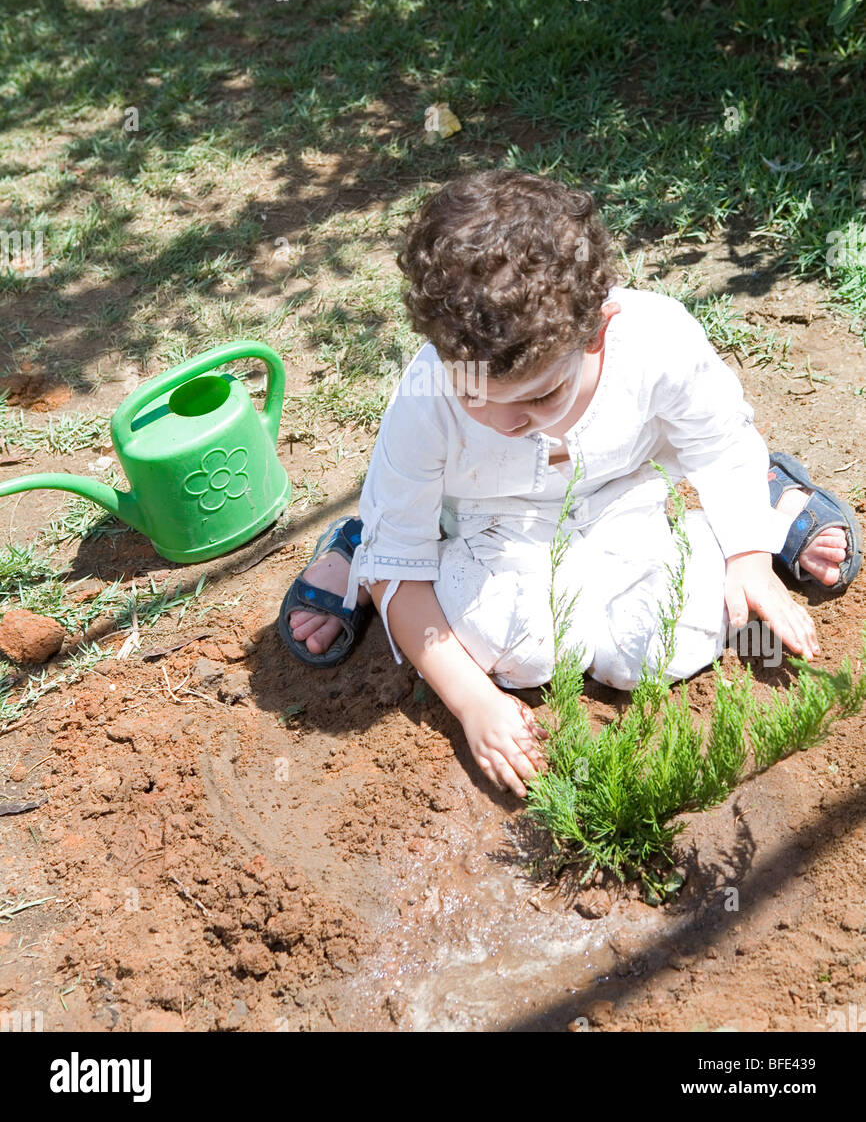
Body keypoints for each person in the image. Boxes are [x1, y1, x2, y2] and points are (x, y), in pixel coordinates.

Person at [278, 171, 861, 797]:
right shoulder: (424, 398)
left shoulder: (655, 338)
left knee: (652, 651)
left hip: (626, 492)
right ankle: (372, 539)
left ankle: (765, 501)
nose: (504, 423)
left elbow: (718, 442)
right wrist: (473, 701)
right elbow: (434, 610)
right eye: (475, 396)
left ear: (599, 330)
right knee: (512, 651)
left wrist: (747, 558)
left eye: (539, 396)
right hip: (489, 519)